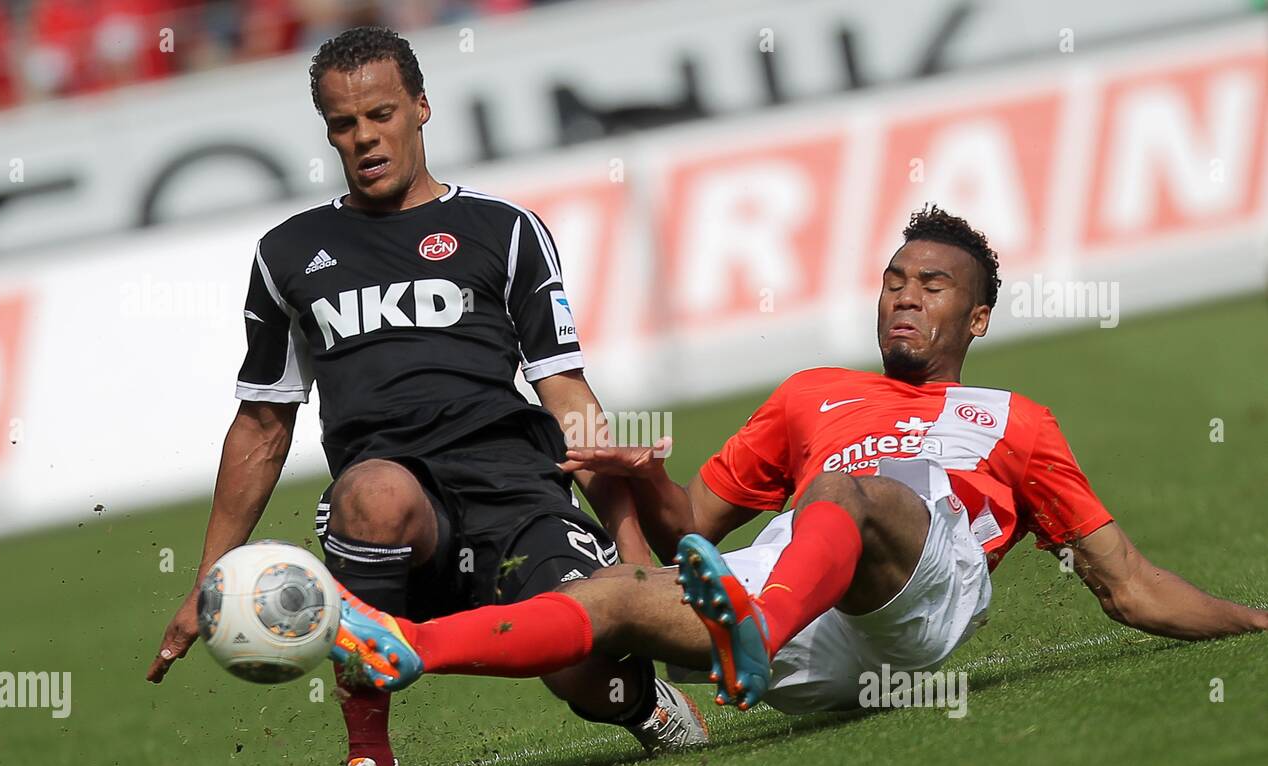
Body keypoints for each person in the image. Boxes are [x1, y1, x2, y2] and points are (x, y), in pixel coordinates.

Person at [331, 205, 1268, 715]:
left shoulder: (1013, 419)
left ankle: (751, 633)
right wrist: (646, 478)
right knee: (613, 596)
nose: (903, 299)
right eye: (893, 280)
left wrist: (1255, 620)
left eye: (932, 287)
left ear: (976, 319)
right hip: (797, 611)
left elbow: (1129, 585)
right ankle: (408, 648)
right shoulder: (810, 393)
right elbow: (685, 534)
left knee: (855, 488)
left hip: (914, 602)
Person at [146, 26, 707, 766]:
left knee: (584, 680)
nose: (364, 136)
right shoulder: (288, 253)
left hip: (518, 492)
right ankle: (368, 760)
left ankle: (644, 704)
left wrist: (631, 552)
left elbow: (569, 396)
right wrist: (208, 577)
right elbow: (264, 422)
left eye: (380, 114)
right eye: (343, 124)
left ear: (420, 108)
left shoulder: (504, 230)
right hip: (404, 513)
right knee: (367, 495)